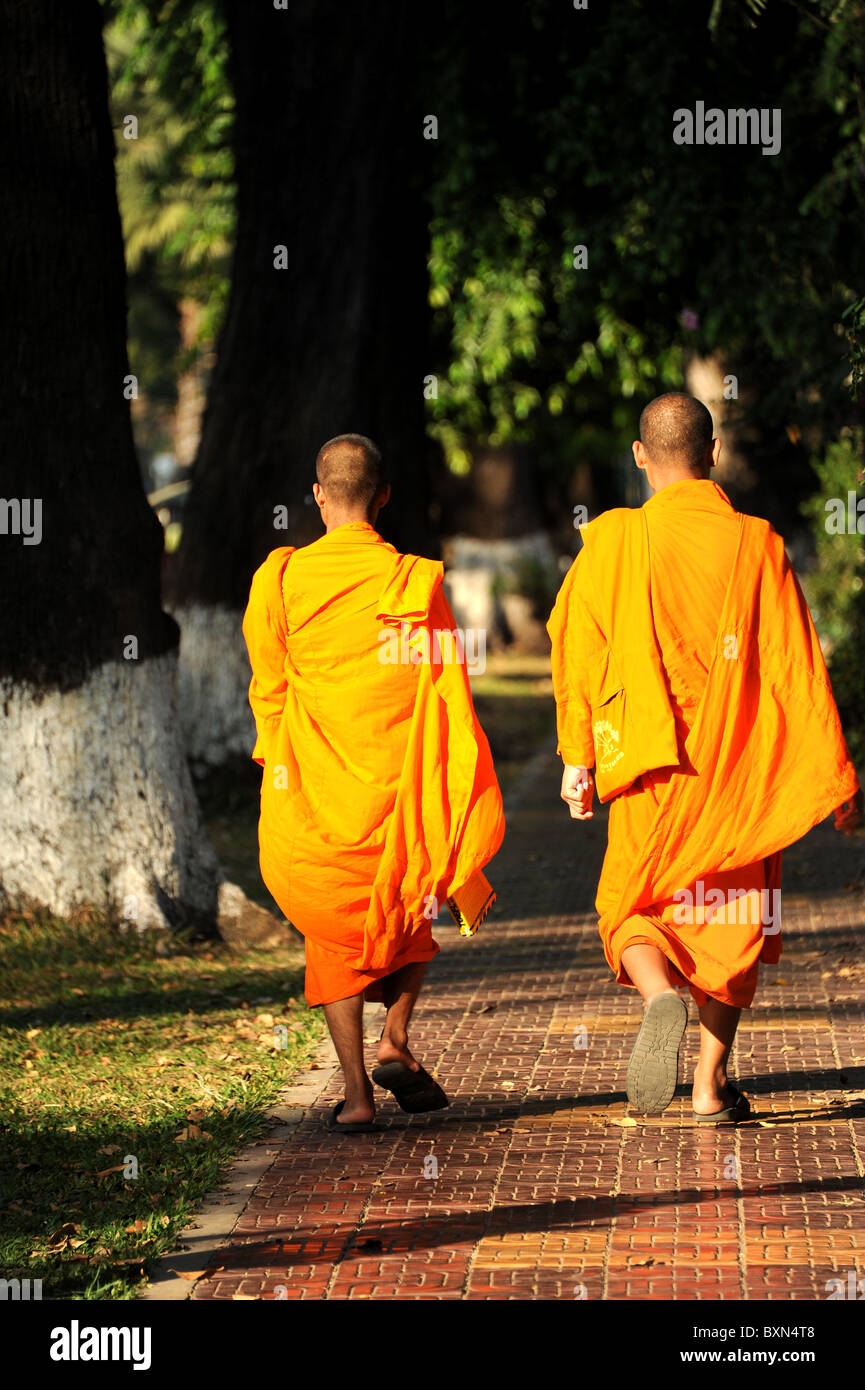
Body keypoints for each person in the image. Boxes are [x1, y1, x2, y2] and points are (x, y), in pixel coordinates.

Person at [548, 393, 862, 1121]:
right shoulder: (756, 543)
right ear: (712, 452)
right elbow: (793, 667)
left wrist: (577, 756)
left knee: (631, 906)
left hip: (645, 761)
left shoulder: (612, 539)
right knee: (732, 919)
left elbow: (577, 649)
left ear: (638, 456)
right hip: (737, 770)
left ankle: (660, 998)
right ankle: (706, 1086)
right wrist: (829, 769)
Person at [243, 434, 504, 1131]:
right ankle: (396, 1036)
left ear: (318, 495)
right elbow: (444, 689)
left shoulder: (282, 579)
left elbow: (268, 686)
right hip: (399, 786)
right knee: (411, 905)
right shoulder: (413, 582)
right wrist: (451, 774)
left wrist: (280, 756)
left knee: (331, 930)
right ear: (383, 497)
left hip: (318, 786)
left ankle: (356, 1097)